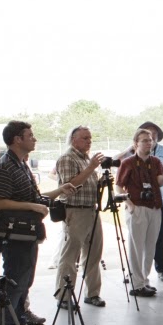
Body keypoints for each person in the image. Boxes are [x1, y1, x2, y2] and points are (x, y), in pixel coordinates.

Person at [0, 121, 77, 325]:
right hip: (13, 233)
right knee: (15, 278)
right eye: (30, 135)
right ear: (17, 139)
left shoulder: (21, 164)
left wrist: (59, 190)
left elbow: (35, 198)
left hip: (27, 232)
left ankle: (19, 318)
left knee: (25, 278)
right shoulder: (4, 166)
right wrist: (31, 207)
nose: (34, 138)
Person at [54, 126, 106, 307]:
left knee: (93, 255)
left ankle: (92, 293)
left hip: (92, 210)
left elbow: (87, 182)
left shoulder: (86, 159)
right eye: (85, 138)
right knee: (70, 256)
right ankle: (64, 297)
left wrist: (101, 181)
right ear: (73, 139)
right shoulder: (67, 158)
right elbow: (70, 185)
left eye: (90, 138)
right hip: (75, 211)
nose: (89, 141)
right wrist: (92, 167)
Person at [116, 129, 163, 297]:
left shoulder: (156, 161)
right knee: (136, 247)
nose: (148, 143)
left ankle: (144, 280)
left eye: (150, 140)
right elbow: (118, 185)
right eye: (144, 140)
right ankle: (136, 284)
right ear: (135, 143)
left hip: (155, 206)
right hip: (137, 206)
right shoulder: (128, 163)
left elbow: (159, 182)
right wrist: (129, 204)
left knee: (150, 247)